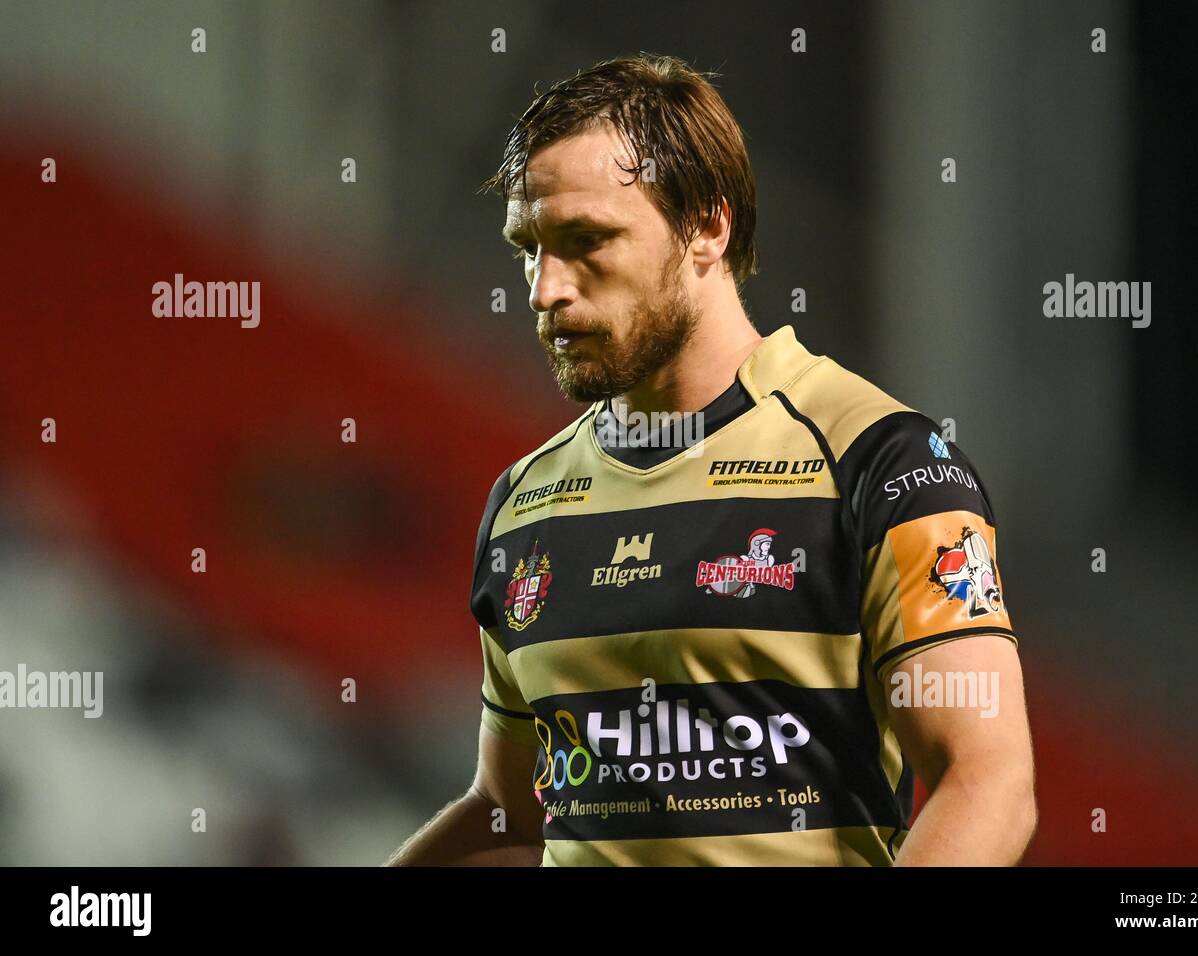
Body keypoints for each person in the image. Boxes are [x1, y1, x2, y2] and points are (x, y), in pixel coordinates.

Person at [388, 53, 1036, 867]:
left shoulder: (884, 464)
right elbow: (508, 817)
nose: (546, 289)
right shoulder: (525, 503)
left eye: (587, 240)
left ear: (706, 226)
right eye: (530, 246)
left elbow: (987, 784)